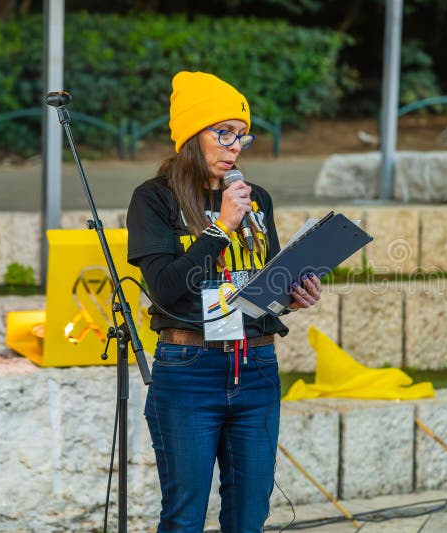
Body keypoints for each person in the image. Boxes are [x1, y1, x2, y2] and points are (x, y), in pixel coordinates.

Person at [126, 71, 321, 532]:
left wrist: (293, 295)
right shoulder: (154, 200)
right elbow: (167, 288)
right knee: (185, 515)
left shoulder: (258, 202)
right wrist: (219, 229)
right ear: (193, 135)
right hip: (189, 366)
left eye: (242, 136)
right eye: (224, 133)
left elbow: (262, 288)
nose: (235, 146)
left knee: (250, 514)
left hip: (255, 366)